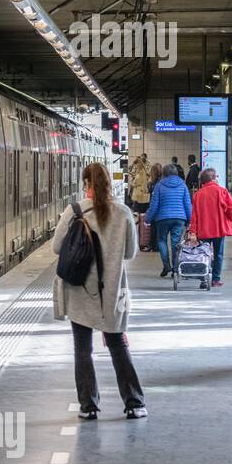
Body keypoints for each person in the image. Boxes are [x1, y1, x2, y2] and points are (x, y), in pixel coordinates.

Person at [52, 162, 147, 419]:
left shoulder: (73, 211)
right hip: (112, 290)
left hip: (80, 290)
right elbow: (130, 252)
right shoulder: (124, 212)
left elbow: (57, 247)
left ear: (86, 185)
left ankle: (88, 406)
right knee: (117, 345)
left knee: (82, 349)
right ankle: (134, 403)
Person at [190, 168, 232, 286]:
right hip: (219, 229)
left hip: (203, 230)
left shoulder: (197, 195)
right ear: (214, 178)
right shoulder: (222, 191)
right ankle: (216, 279)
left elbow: (194, 215)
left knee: (203, 254)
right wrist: (228, 220)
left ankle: (204, 278)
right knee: (218, 254)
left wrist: (193, 232)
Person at [145, 163, 191, 277]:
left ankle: (166, 266)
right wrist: (190, 220)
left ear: (164, 173)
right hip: (179, 218)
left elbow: (154, 205)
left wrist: (148, 219)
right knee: (176, 243)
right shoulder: (183, 185)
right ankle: (175, 269)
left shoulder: (159, 185)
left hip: (162, 218)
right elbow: (187, 204)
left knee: (161, 241)